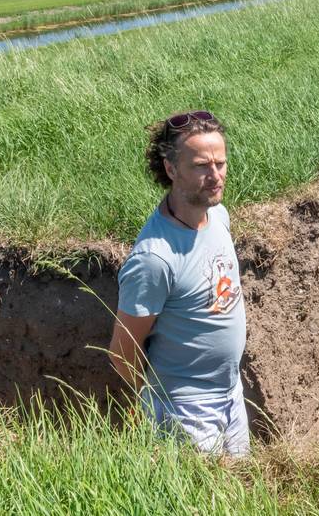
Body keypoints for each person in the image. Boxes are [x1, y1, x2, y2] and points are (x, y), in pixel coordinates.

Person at [108, 110, 249, 457]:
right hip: (186, 411)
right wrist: (156, 402)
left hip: (231, 394)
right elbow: (121, 353)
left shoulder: (218, 216)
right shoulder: (154, 259)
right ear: (171, 170)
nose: (215, 176)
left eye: (221, 163)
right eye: (201, 166)